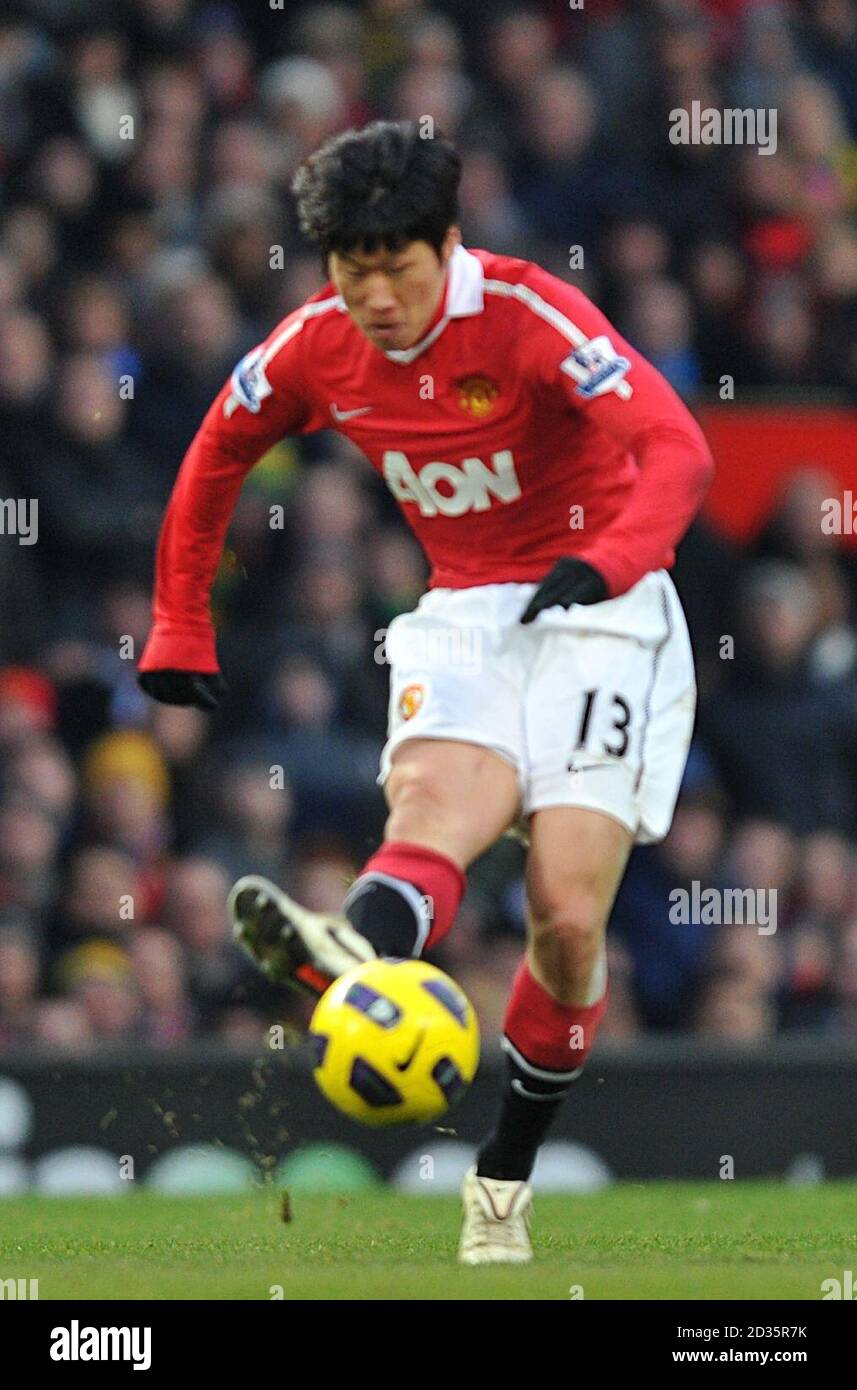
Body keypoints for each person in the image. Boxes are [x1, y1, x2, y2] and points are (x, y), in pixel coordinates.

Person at [137, 121, 713, 1264]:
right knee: (435, 815)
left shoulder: (528, 313)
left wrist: (615, 554)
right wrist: (179, 617)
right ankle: (353, 952)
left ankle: (498, 1177)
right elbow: (213, 454)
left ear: (445, 246)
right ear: (328, 268)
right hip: (462, 612)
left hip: (601, 608)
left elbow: (678, 448)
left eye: (400, 270)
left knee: (560, 910)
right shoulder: (313, 344)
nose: (380, 299)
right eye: (355, 275)